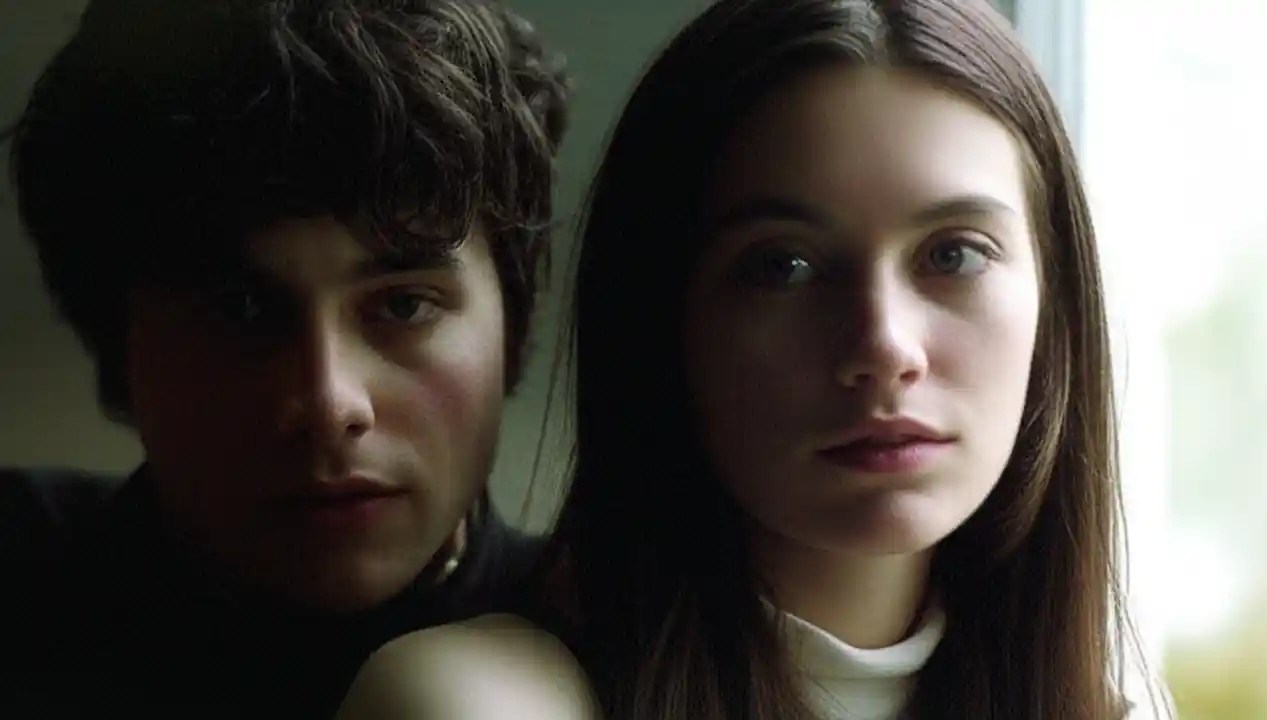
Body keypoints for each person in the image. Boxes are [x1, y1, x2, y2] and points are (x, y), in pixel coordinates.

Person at [341, 0, 1177, 718]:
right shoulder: (481, 703)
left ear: (1053, 302)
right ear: (664, 320)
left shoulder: (1113, 701)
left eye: (953, 255)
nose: (884, 347)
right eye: (784, 266)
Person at [1, 0, 569, 716]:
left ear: (513, 321)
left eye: (402, 305)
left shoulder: (641, 651)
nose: (330, 404)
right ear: (115, 345)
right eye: (239, 309)